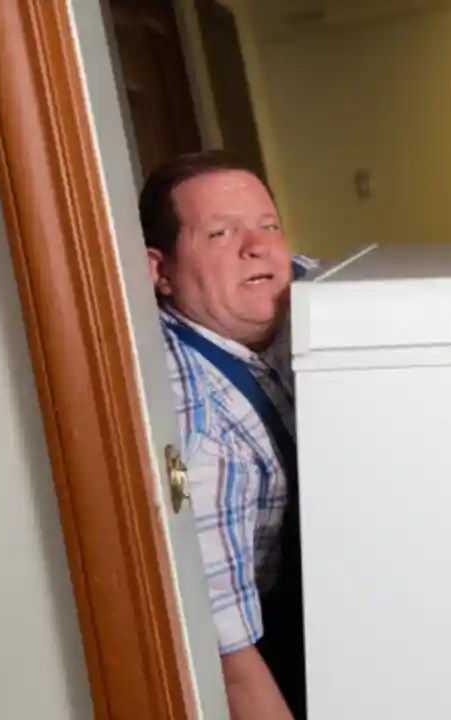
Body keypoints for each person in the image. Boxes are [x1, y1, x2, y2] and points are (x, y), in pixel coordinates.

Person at [141, 150, 316, 720]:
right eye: (220, 233)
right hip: (272, 650)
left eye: (269, 226)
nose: (258, 247)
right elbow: (230, 664)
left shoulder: (302, 295)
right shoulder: (195, 427)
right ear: (158, 271)